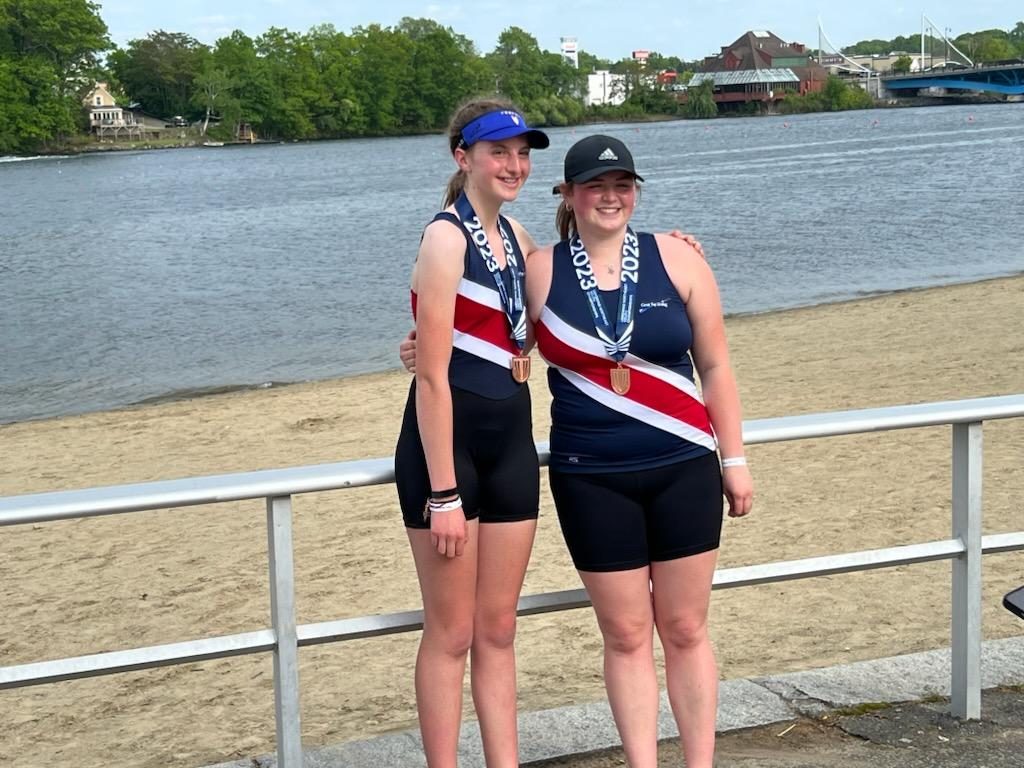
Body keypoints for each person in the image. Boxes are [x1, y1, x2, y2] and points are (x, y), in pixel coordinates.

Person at [524, 134, 753, 768]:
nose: (610, 196)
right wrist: (416, 346)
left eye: (622, 185)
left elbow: (716, 364)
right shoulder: (540, 270)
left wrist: (733, 460)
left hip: (684, 467)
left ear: (635, 193)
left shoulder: (678, 258)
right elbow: (478, 329)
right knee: (625, 634)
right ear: (569, 195)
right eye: (595, 186)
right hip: (590, 476)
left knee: (684, 629)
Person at [393, 97, 549, 768]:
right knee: (451, 632)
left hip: (511, 438)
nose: (513, 165)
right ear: (464, 158)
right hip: (446, 449)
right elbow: (431, 378)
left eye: (522, 153)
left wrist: (663, 249)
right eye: (499, 153)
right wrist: (445, 492)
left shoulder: (516, 237)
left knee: (499, 629)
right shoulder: (444, 237)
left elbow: (571, 293)